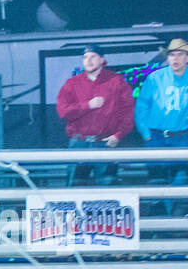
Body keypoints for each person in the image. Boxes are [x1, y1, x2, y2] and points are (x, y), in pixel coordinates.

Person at [135, 38, 188, 200]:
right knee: (156, 183)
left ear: (187, 58)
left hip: (181, 137)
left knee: (180, 183)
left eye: (180, 54)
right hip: (155, 137)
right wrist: (146, 134)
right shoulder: (155, 78)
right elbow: (141, 107)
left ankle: (177, 218)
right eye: (172, 54)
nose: (175, 58)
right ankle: (157, 217)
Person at [55, 45, 134, 186]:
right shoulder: (72, 84)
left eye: (93, 56)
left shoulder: (116, 81)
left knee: (108, 193)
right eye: (85, 57)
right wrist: (88, 105)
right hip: (79, 143)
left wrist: (118, 135)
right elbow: (62, 111)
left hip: (106, 143)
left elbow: (128, 111)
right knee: (75, 189)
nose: (88, 60)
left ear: (102, 60)